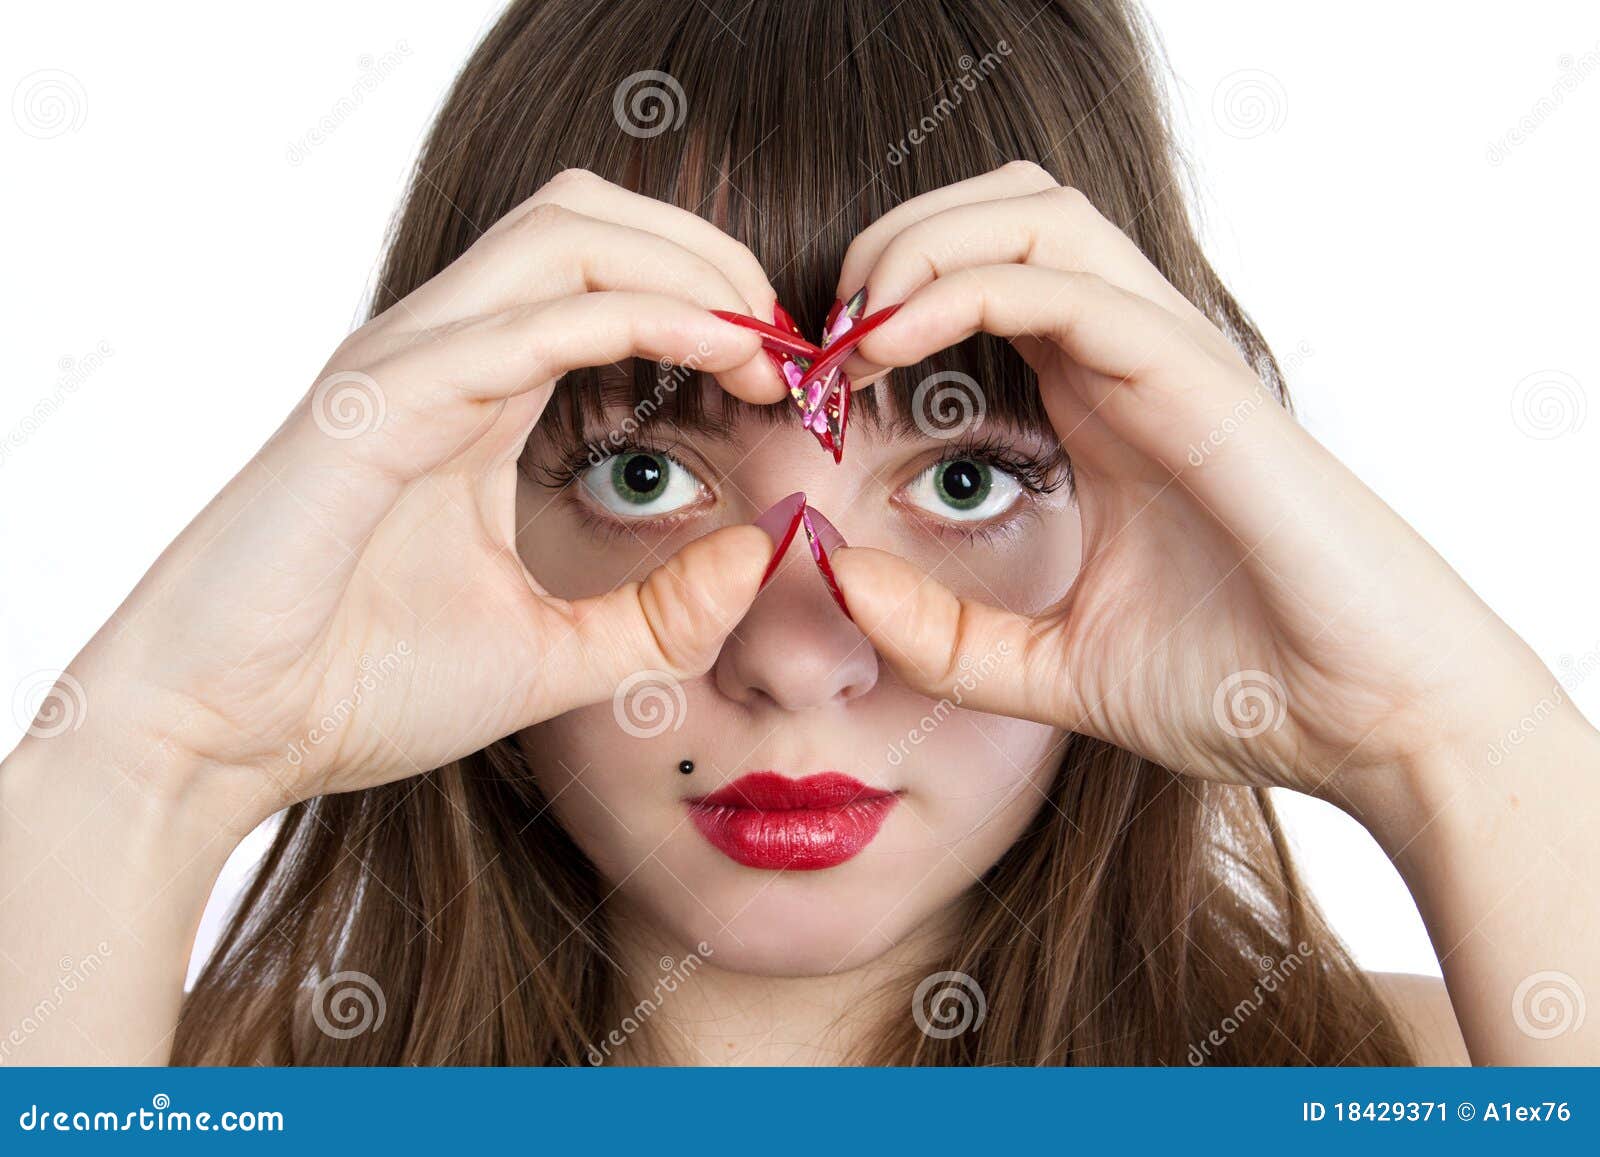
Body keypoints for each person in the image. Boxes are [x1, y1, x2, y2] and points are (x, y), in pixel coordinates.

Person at [3, 0, 1593, 1066]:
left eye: (964, 477)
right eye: (643, 471)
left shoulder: (1461, 1079)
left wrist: (1442, 738)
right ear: (459, 495)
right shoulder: (124, 1065)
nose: (797, 654)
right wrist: (153, 752)